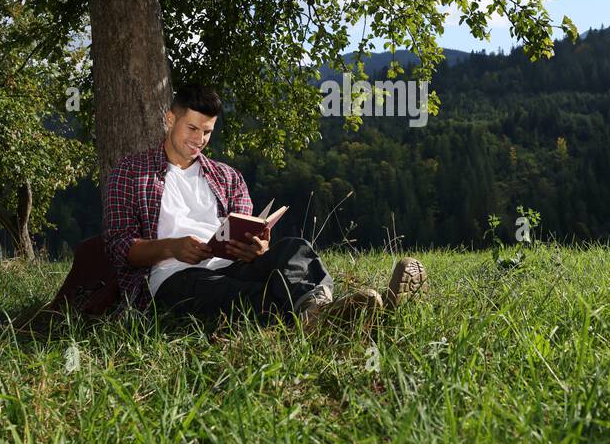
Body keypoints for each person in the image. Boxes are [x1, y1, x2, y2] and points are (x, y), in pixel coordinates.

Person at [102, 83, 426, 330]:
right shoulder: (130, 172)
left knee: (295, 249)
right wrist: (171, 247)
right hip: (172, 278)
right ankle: (347, 318)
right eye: (192, 128)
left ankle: (322, 313)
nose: (199, 139)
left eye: (207, 132)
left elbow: (252, 233)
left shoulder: (226, 177)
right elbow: (119, 248)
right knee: (233, 293)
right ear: (169, 119)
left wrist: (256, 248)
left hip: (230, 266)